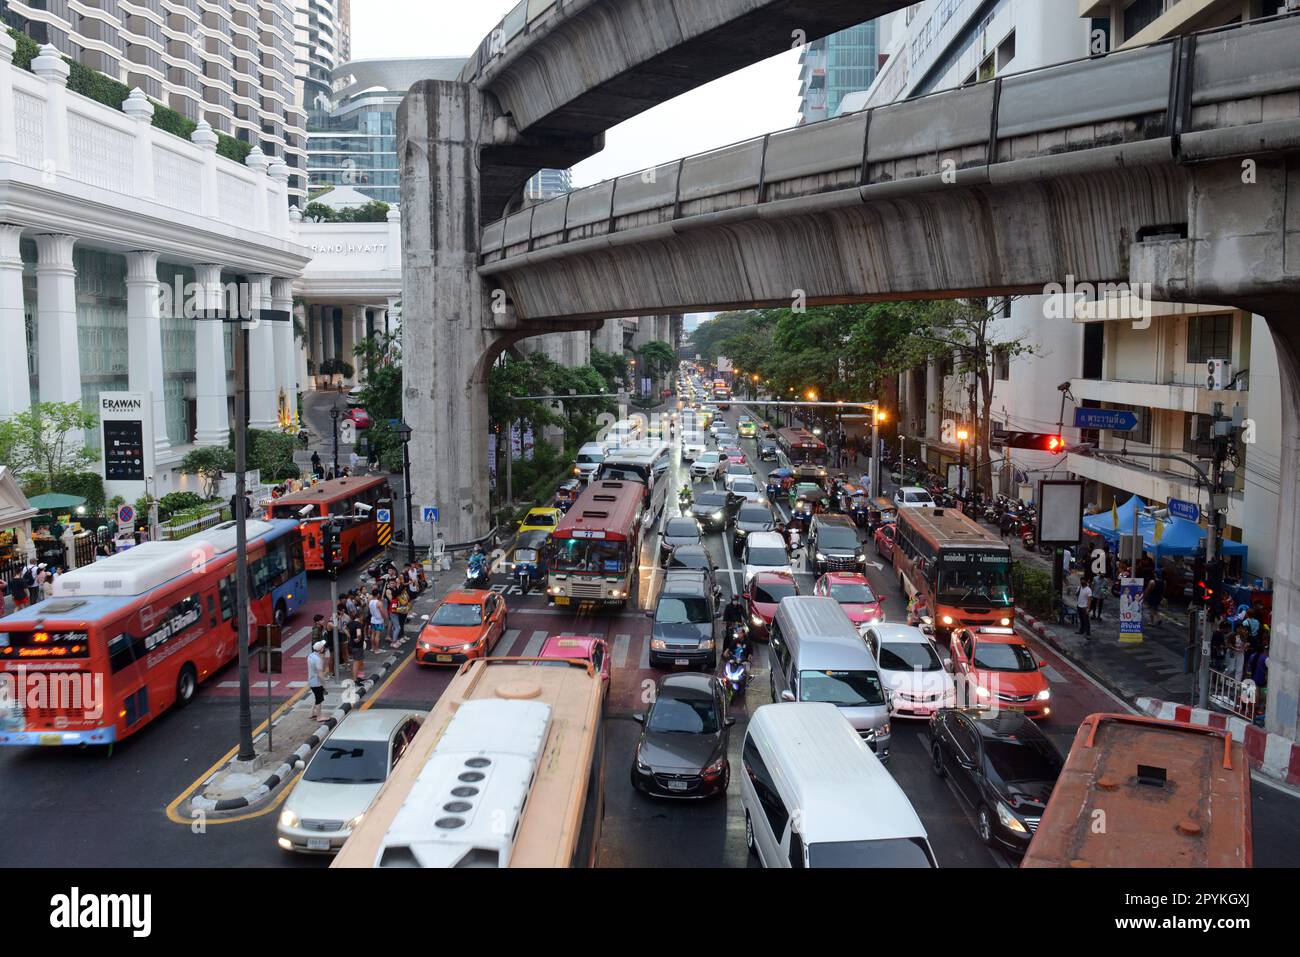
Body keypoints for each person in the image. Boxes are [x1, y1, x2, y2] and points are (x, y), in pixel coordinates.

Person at [306, 640, 327, 721]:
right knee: (319, 699)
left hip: (311, 680)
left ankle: (311, 713)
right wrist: (324, 684)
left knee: (316, 697)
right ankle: (319, 716)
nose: (324, 648)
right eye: (323, 647)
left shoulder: (310, 656)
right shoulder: (318, 660)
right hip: (317, 682)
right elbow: (320, 674)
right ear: (321, 649)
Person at [1142, 565, 1165, 629]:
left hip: (1152, 597)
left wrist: (1144, 597)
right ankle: (1159, 618)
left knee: (1151, 609)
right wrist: (1162, 597)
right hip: (1158, 597)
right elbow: (1163, 591)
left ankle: (1152, 622)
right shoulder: (1163, 582)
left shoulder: (1152, 582)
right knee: (1155, 609)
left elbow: (1147, 590)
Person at [367, 588, 388, 653]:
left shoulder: (370, 602)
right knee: (377, 635)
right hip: (379, 620)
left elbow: (370, 610)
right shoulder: (379, 603)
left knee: (373, 634)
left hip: (373, 619)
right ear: (378, 594)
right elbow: (382, 612)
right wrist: (385, 618)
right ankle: (377, 649)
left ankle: (373, 647)